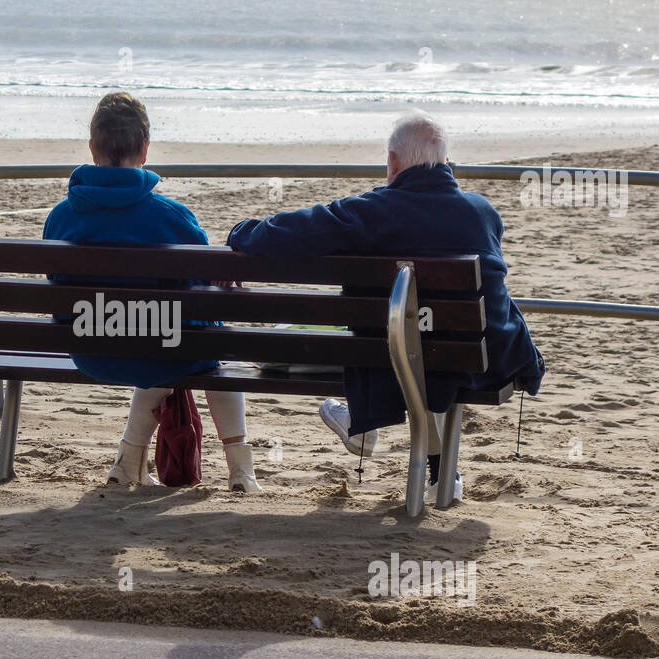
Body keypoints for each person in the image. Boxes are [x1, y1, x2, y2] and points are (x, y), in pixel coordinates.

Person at [226, 110, 544, 502]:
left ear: (393, 162)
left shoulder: (370, 212)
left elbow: (292, 232)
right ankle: (440, 475)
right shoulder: (483, 213)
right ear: (445, 162)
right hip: (478, 359)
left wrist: (243, 231)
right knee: (430, 346)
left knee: (406, 345)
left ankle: (361, 422)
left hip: (388, 360)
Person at [43, 92, 261, 492]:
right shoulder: (172, 217)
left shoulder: (60, 218)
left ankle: (127, 463)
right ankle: (241, 471)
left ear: (92, 148)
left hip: (91, 350)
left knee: (144, 327)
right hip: (161, 351)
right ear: (145, 149)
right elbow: (203, 284)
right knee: (201, 337)